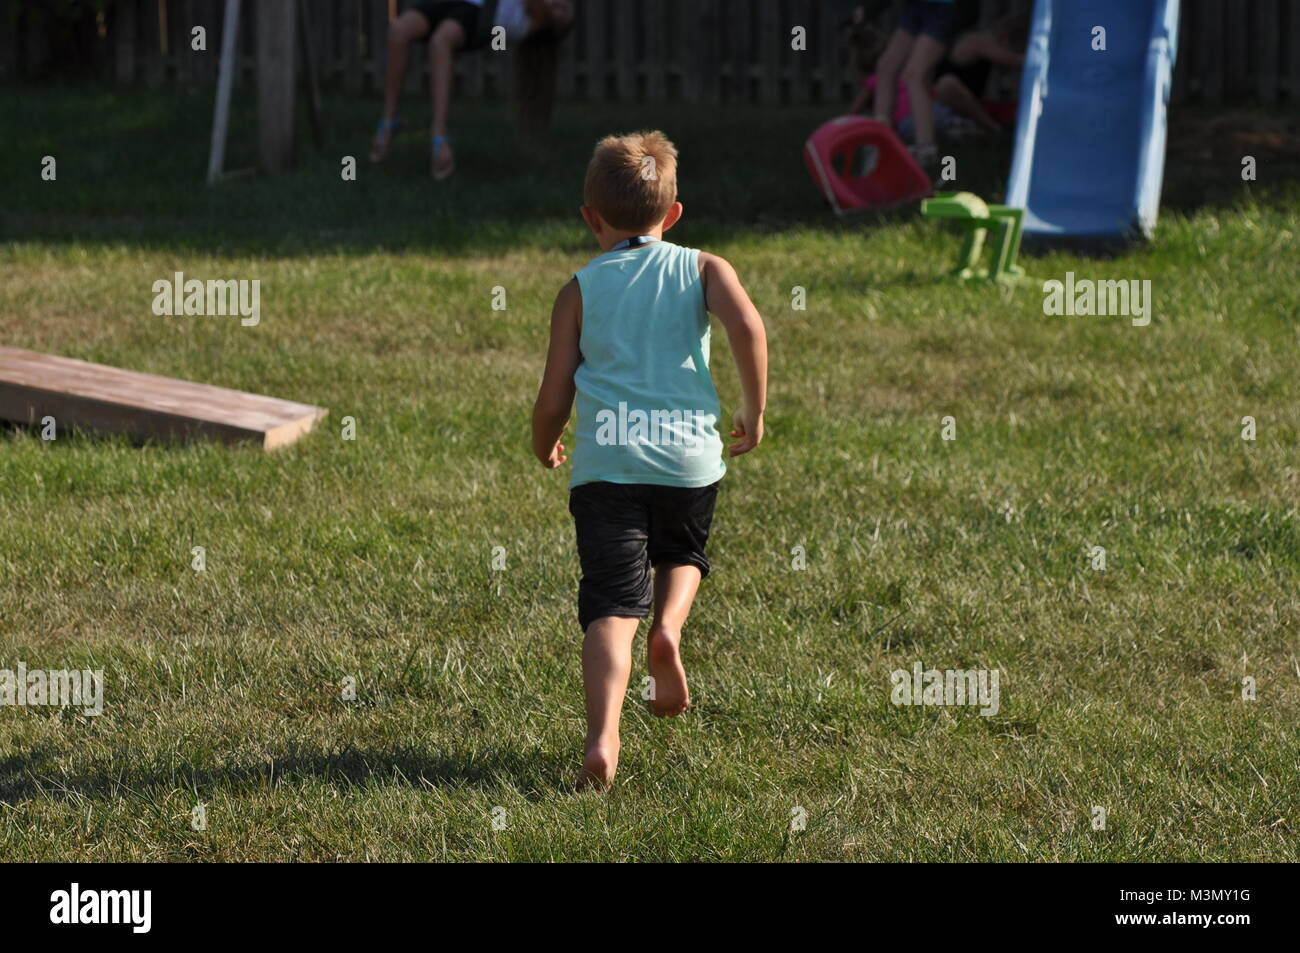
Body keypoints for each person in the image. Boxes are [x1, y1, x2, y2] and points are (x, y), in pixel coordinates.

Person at [531, 131, 769, 790]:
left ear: (590, 219)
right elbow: (748, 326)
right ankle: (668, 628)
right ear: (673, 214)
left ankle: (603, 736)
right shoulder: (704, 267)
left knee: (610, 604)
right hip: (689, 459)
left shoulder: (578, 288)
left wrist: (542, 440)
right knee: (683, 555)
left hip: (607, 464)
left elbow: (554, 394)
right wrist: (754, 406)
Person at [369, 0, 574, 180]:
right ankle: (388, 122)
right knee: (398, 30)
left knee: (440, 41)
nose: (560, 5)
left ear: (551, 28)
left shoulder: (532, 22)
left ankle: (439, 136)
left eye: (562, 12)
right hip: (456, 4)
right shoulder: (530, 14)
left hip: (476, 14)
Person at [871, 0, 977, 167]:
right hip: (918, 6)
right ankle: (879, 140)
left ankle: (926, 148)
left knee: (915, 75)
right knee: (886, 67)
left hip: (944, 8)